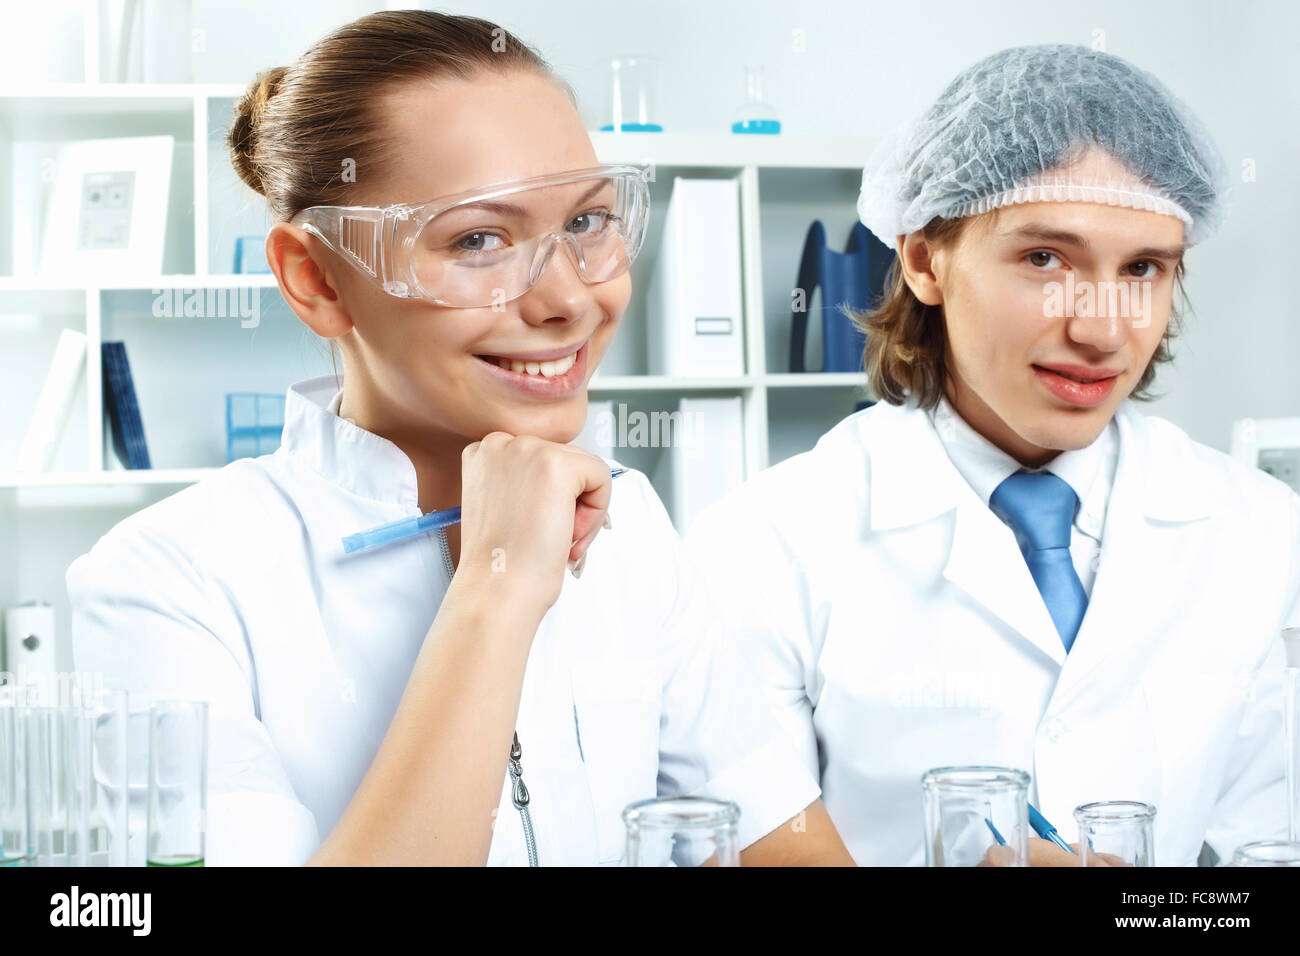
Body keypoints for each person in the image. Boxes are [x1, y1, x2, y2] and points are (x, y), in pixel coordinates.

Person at [66, 10, 851, 866]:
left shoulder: (633, 527)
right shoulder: (165, 583)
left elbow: (790, 849)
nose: (567, 300)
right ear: (318, 278)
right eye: (479, 239)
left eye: (587, 223)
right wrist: (497, 589)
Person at [685, 43, 1300, 866]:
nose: (1102, 330)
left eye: (1145, 268)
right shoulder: (768, 542)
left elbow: (1267, 847)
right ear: (922, 259)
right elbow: (733, 845)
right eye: (1045, 258)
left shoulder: (1257, 530)